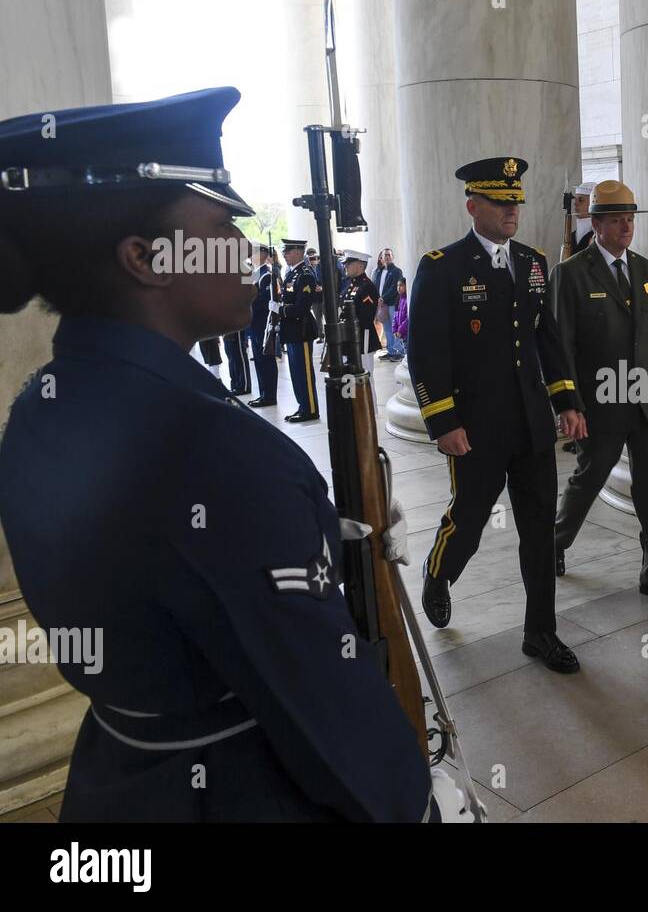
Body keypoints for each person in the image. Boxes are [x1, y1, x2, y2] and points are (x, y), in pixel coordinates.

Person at [0, 87, 433, 821]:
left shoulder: (44, 405)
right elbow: (327, 706)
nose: (245, 247)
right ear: (144, 258)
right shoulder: (209, 448)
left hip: (123, 780)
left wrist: (319, 529)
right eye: (222, 223)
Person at [407, 156, 586, 674]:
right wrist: (443, 422)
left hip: (530, 423)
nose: (513, 211)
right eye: (502, 203)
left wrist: (567, 401)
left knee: (537, 529)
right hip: (475, 426)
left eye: (516, 203)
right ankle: (439, 573)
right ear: (474, 206)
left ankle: (541, 632)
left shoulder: (532, 262)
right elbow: (427, 352)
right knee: (469, 520)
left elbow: (545, 338)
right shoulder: (441, 267)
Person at [550, 180, 648, 605]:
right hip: (600, 400)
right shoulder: (571, 273)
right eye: (617, 220)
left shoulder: (645, 270)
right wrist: (569, 405)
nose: (627, 227)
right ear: (596, 224)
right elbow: (561, 346)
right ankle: (554, 543)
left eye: (630, 219)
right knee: (589, 478)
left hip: (645, 396)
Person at [278, 237, 321, 422]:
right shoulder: (291, 274)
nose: (284, 255)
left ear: (297, 252)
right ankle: (302, 406)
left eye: (287, 252)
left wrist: (280, 309)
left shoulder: (305, 274)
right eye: (284, 252)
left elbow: (301, 308)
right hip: (291, 330)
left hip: (301, 329)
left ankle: (310, 409)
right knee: (296, 372)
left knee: (304, 372)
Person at [247, 243, 280, 407]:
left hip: (263, 323)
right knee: (259, 360)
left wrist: (246, 304)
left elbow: (265, 300)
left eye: (253, 253)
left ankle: (269, 395)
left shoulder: (266, 275)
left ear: (262, 254)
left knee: (266, 359)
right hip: (253, 324)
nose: (250, 256)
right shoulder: (252, 274)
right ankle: (263, 393)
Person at [340, 248, 381, 374]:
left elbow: (366, 317)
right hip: (348, 337)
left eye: (349, 263)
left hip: (362, 337)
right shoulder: (347, 283)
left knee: (365, 377)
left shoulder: (367, 286)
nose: (345, 266)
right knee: (350, 378)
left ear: (361, 265)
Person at [375, 248, 405, 362]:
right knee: (387, 328)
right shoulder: (379, 271)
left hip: (392, 304)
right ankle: (391, 351)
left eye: (389, 255)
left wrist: (383, 298)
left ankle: (399, 352)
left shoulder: (397, 271)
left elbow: (395, 288)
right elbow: (376, 286)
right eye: (385, 255)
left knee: (395, 328)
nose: (387, 257)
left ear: (392, 257)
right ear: (382, 258)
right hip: (382, 305)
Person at [392, 276, 409, 350]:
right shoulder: (399, 299)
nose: (398, 287)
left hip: (406, 332)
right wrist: (394, 330)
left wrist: (401, 330)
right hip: (401, 333)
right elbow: (395, 316)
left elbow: (408, 318)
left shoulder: (408, 299)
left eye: (401, 285)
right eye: (397, 285)